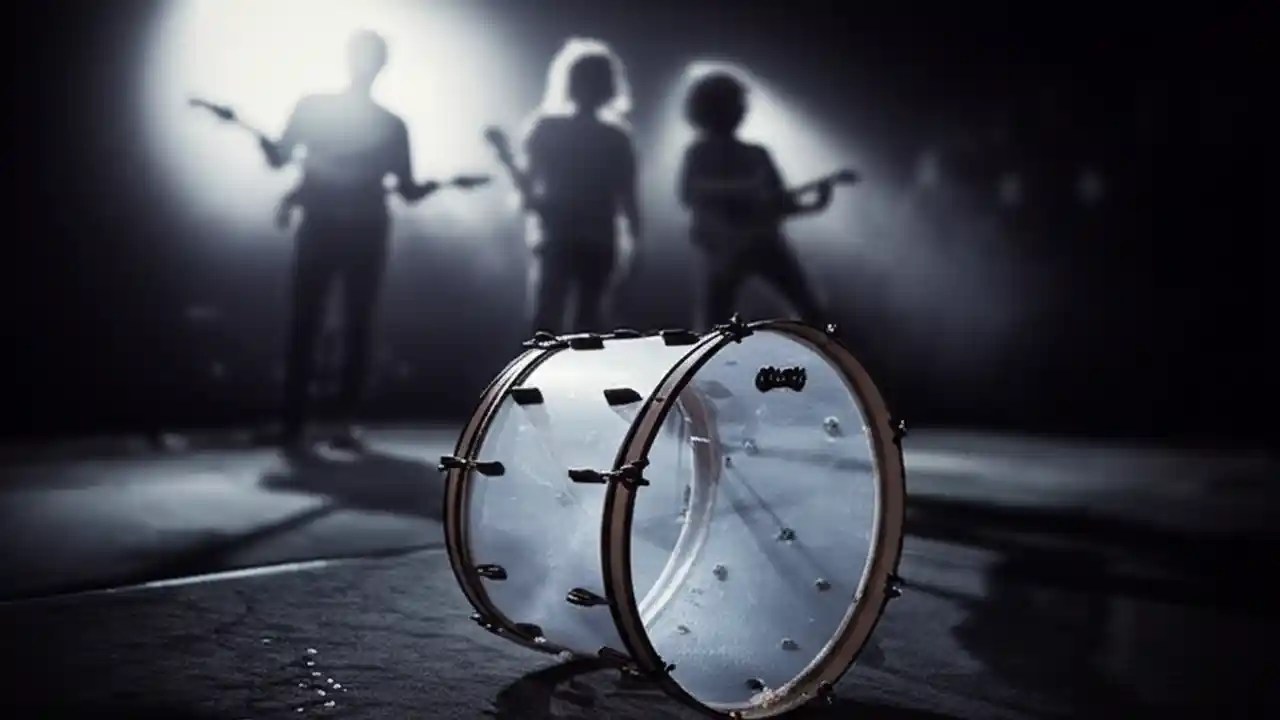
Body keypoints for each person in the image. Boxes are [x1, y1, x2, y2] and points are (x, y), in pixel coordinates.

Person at [257, 29, 439, 452]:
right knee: (357, 323)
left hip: (323, 225)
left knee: (308, 320)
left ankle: (294, 423)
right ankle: (339, 423)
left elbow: (278, 158)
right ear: (382, 66)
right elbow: (408, 190)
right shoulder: (392, 124)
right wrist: (435, 187)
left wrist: (254, 136)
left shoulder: (314, 108)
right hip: (365, 229)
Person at [678, 69, 832, 330]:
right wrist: (743, 192)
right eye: (735, 104)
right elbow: (688, 194)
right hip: (726, 247)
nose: (742, 110)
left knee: (813, 313)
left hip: (761, 242)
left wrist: (817, 202)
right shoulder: (700, 153)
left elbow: (780, 205)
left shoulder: (757, 154)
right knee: (714, 326)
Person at [507, 38, 642, 334]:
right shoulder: (616, 136)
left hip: (561, 235)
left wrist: (505, 158)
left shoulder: (548, 128)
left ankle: (538, 380)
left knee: (547, 324)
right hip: (594, 238)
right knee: (587, 325)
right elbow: (629, 200)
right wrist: (636, 248)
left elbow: (528, 194)